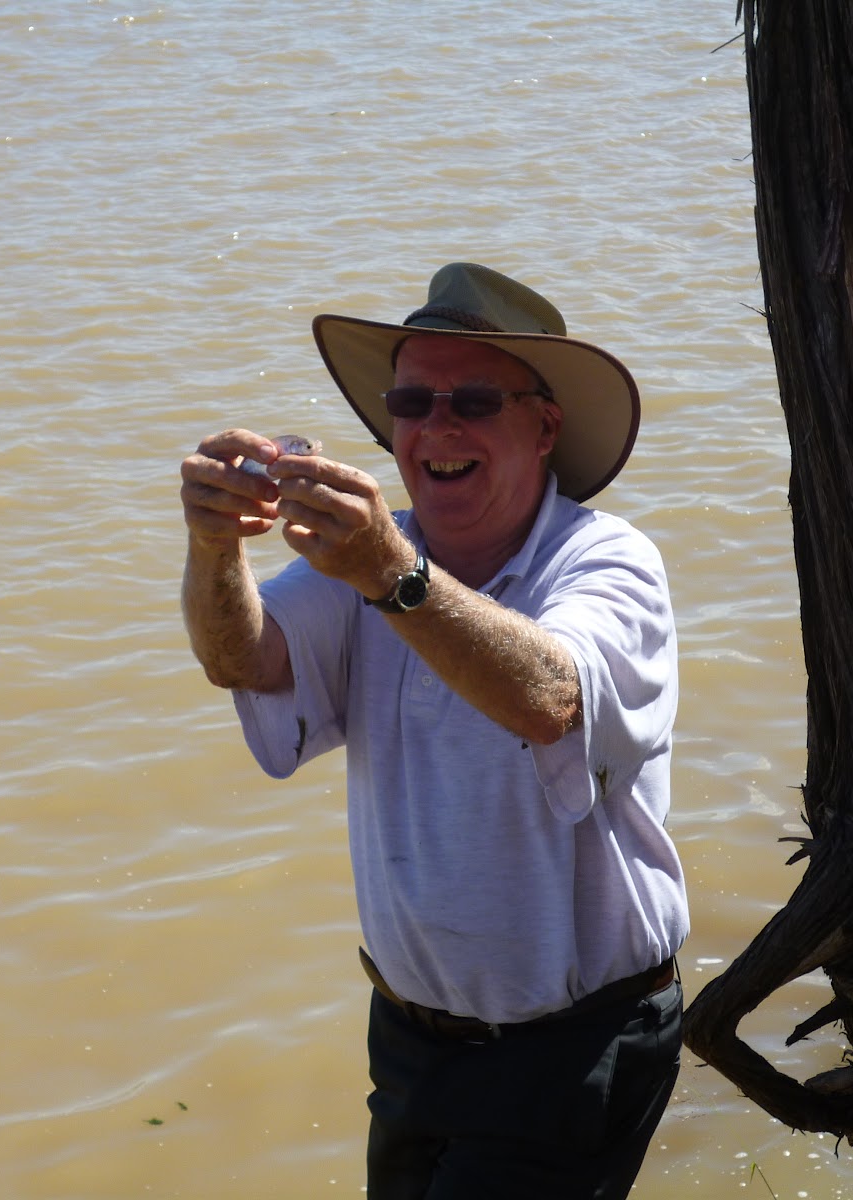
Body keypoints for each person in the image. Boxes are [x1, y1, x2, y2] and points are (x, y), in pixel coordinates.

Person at [178, 262, 687, 1199]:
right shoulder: (368, 556)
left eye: (474, 399)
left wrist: (393, 577)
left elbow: (553, 698)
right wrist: (214, 549)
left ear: (544, 425)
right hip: (411, 1039)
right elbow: (242, 660)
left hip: (573, 1047)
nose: (436, 425)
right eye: (413, 399)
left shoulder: (608, 562)